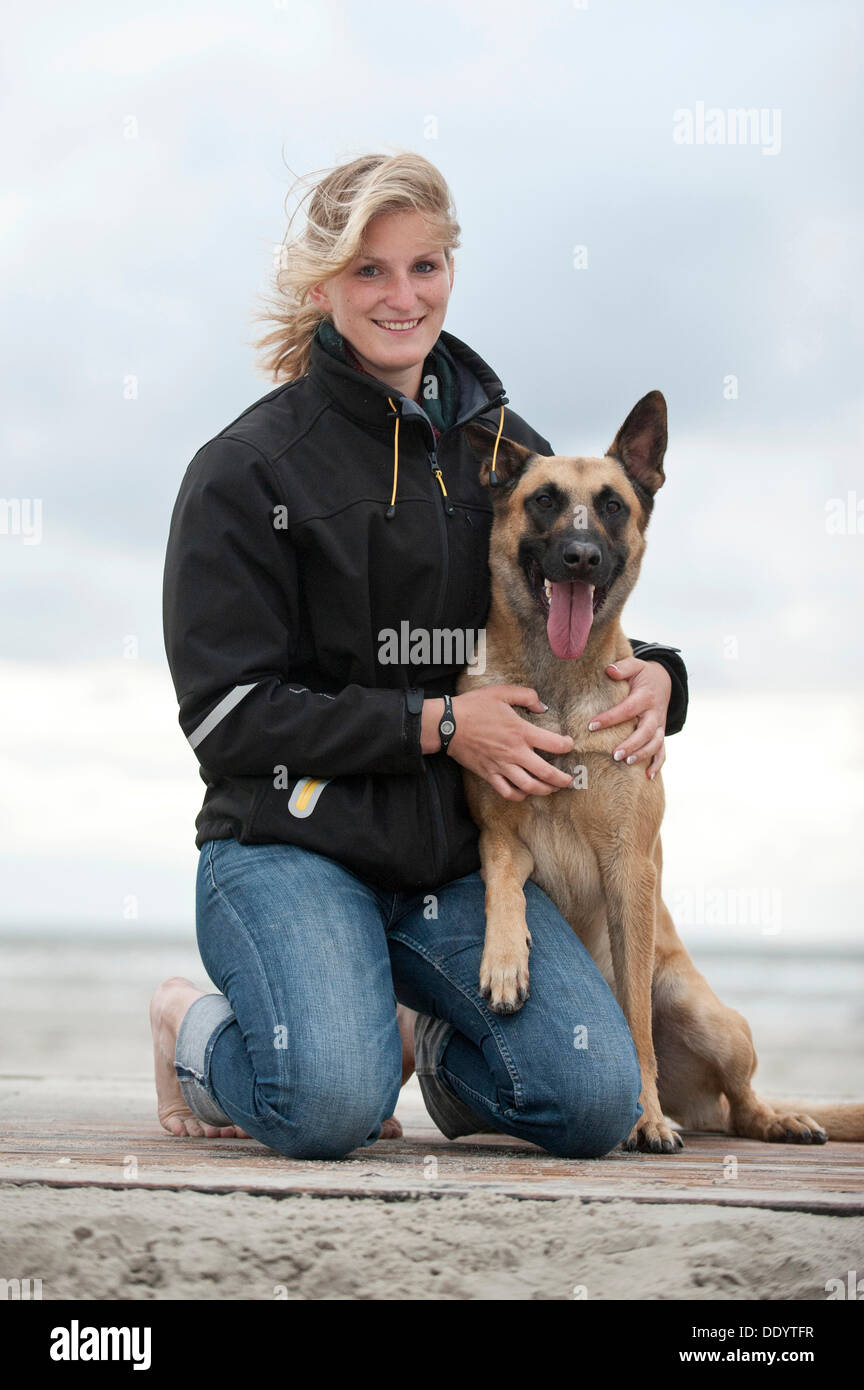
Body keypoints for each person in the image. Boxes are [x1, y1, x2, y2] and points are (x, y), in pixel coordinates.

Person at [151, 152, 689, 1160]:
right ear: (324, 284)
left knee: (593, 1102)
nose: (404, 297)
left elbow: (573, 583)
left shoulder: (500, 450)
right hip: (291, 843)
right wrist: (436, 722)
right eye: (371, 272)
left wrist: (663, 676)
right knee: (328, 1107)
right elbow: (226, 716)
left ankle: (437, 1043)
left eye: (426, 267)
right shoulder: (245, 469)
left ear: (450, 271)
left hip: (451, 858)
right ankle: (190, 1025)